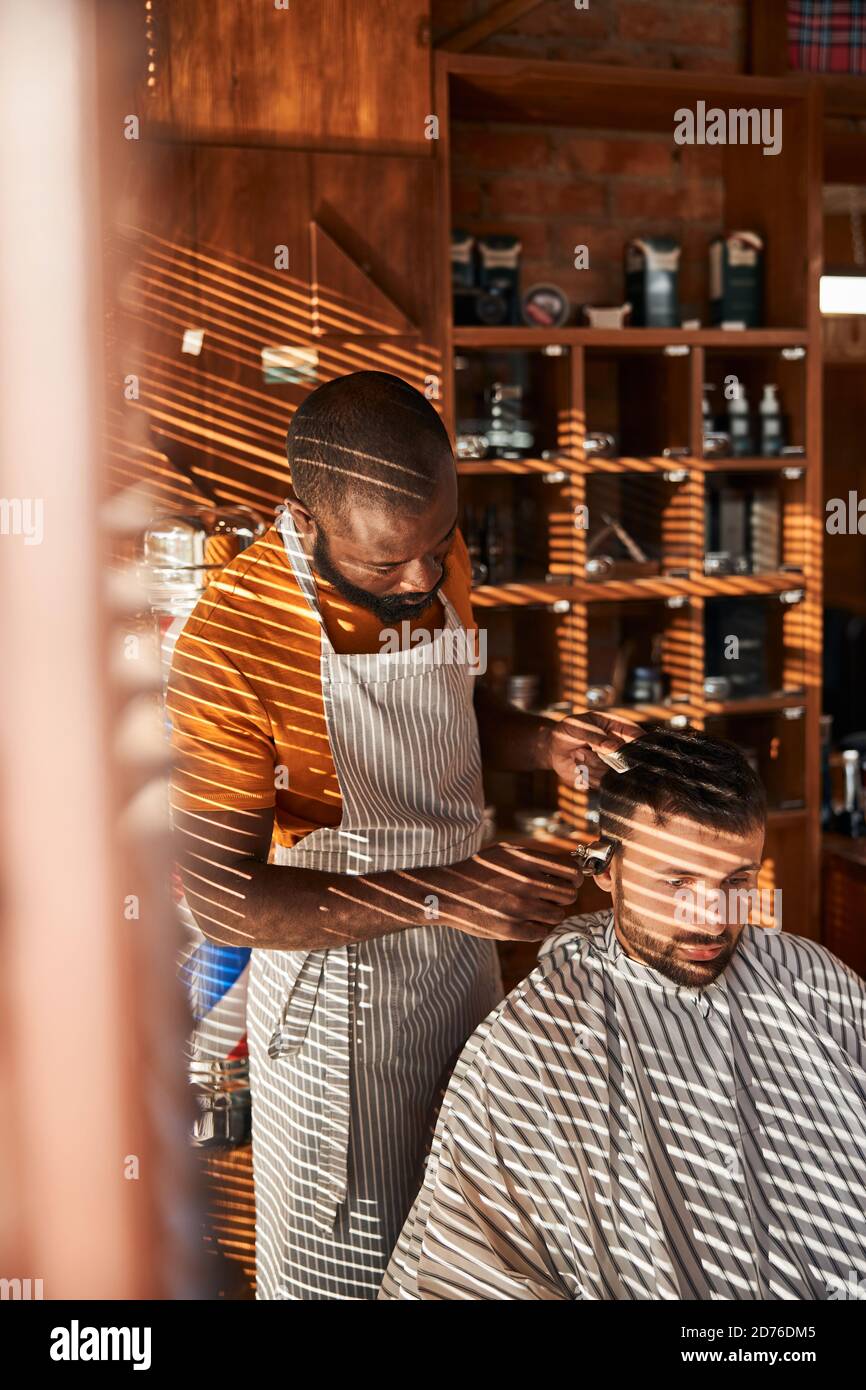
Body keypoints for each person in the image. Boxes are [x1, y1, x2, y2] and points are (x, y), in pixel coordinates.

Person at [167, 369, 638, 1299]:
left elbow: (458, 703)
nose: (423, 577)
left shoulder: (427, 549)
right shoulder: (232, 645)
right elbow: (223, 897)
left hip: (458, 962)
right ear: (305, 521)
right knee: (348, 1264)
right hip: (342, 1002)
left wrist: (543, 739)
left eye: (441, 544)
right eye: (388, 565)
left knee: (462, 1244)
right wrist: (449, 892)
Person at [380, 727, 866, 1301]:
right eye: (677, 881)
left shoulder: (811, 980)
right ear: (606, 867)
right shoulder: (530, 1047)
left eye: (737, 881)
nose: (711, 920)